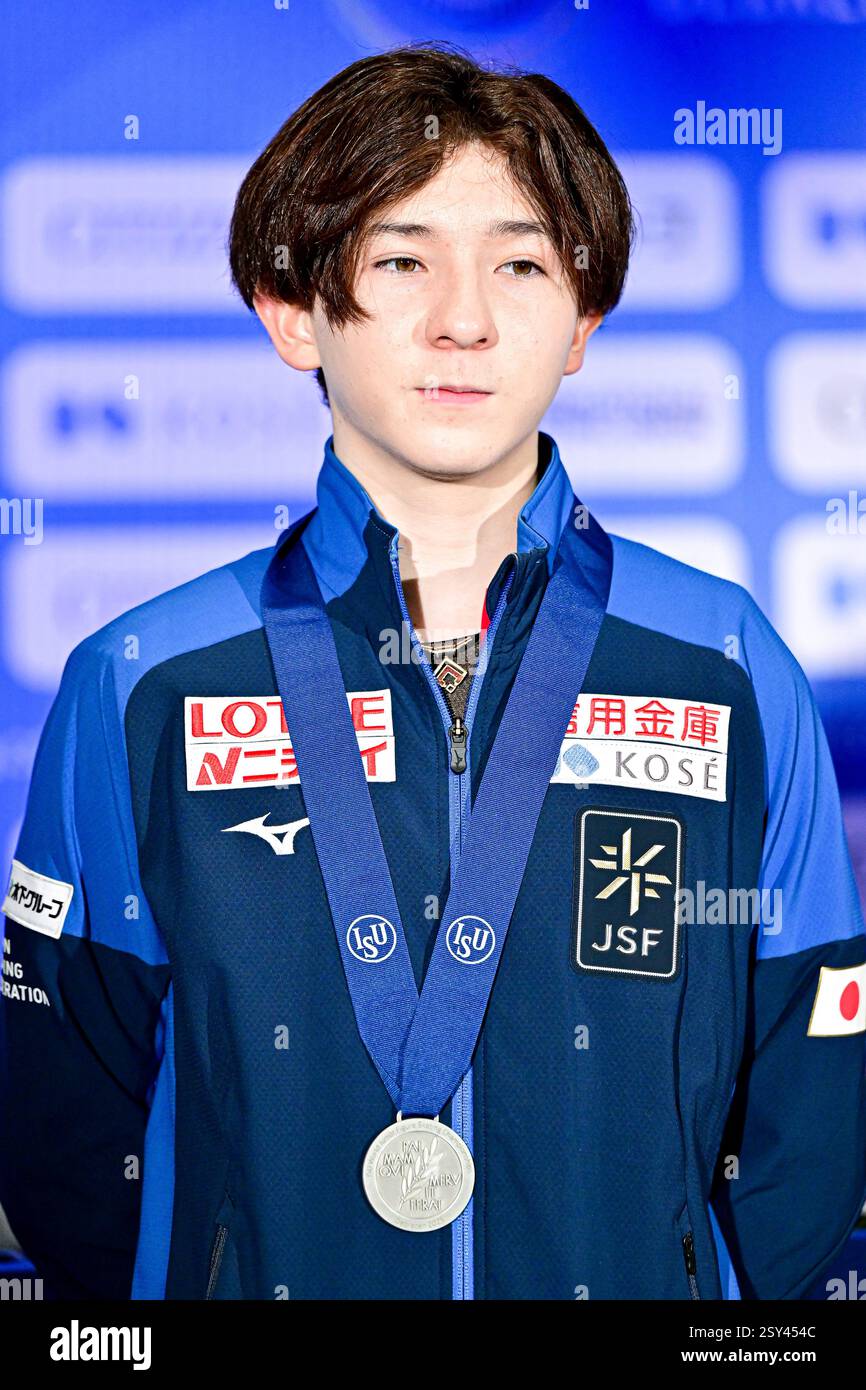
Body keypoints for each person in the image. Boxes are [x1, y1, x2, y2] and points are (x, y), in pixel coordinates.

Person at [1, 42, 864, 1303]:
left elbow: (808, 1093)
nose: (463, 318)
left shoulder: (723, 661)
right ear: (290, 308)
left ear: (584, 318)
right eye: (402, 260)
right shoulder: (143, 679)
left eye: (520, 263)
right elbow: (64, 1115)